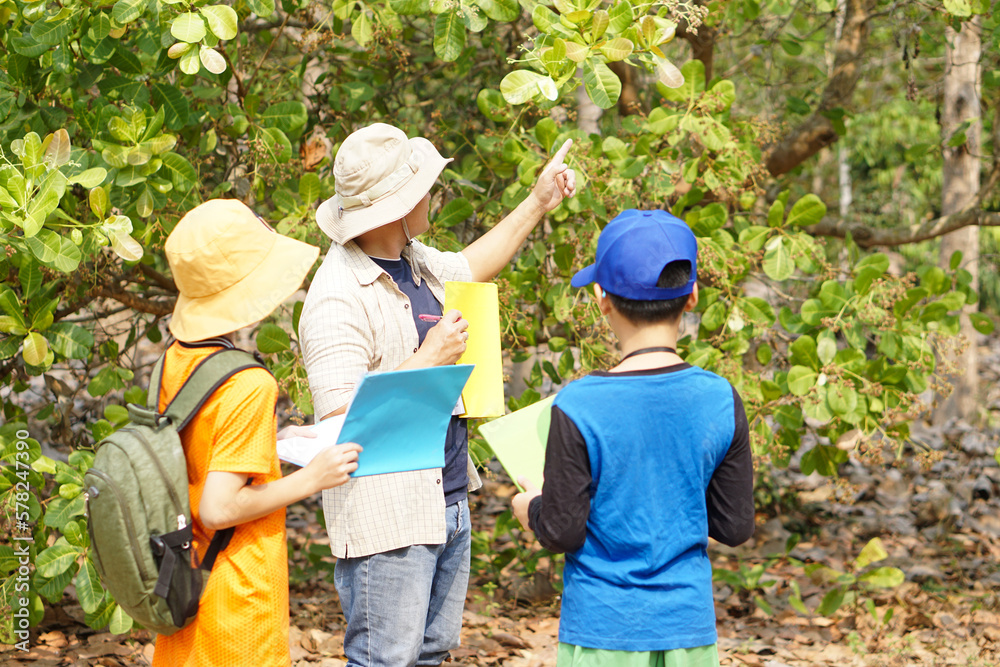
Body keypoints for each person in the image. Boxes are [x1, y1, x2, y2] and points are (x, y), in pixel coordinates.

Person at [298, 122, 576, 667]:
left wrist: (538, 201)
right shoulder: (334, 297)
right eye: (423, 187)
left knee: (432, 653)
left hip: (447, 499)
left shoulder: (416, 262)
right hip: (387, 517)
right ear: (397, 207)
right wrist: (430, 356)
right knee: (386, 658)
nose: (432, 195)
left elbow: (473, 264)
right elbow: (339, 423)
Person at [511, 209, 755, 667]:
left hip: (603, 628)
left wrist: (530, 507)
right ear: (692, 297)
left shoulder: (578, 405)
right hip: (688, 630)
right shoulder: (720, 398)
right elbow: (734, 527)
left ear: (601, 297)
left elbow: (563, 530)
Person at [153, 199, 362, 667]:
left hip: (184, 584)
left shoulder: (176, 359)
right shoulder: (248, 383)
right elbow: (220, 506)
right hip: (236, 599)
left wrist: (272, 442)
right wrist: (313, 478)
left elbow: (200, 452)